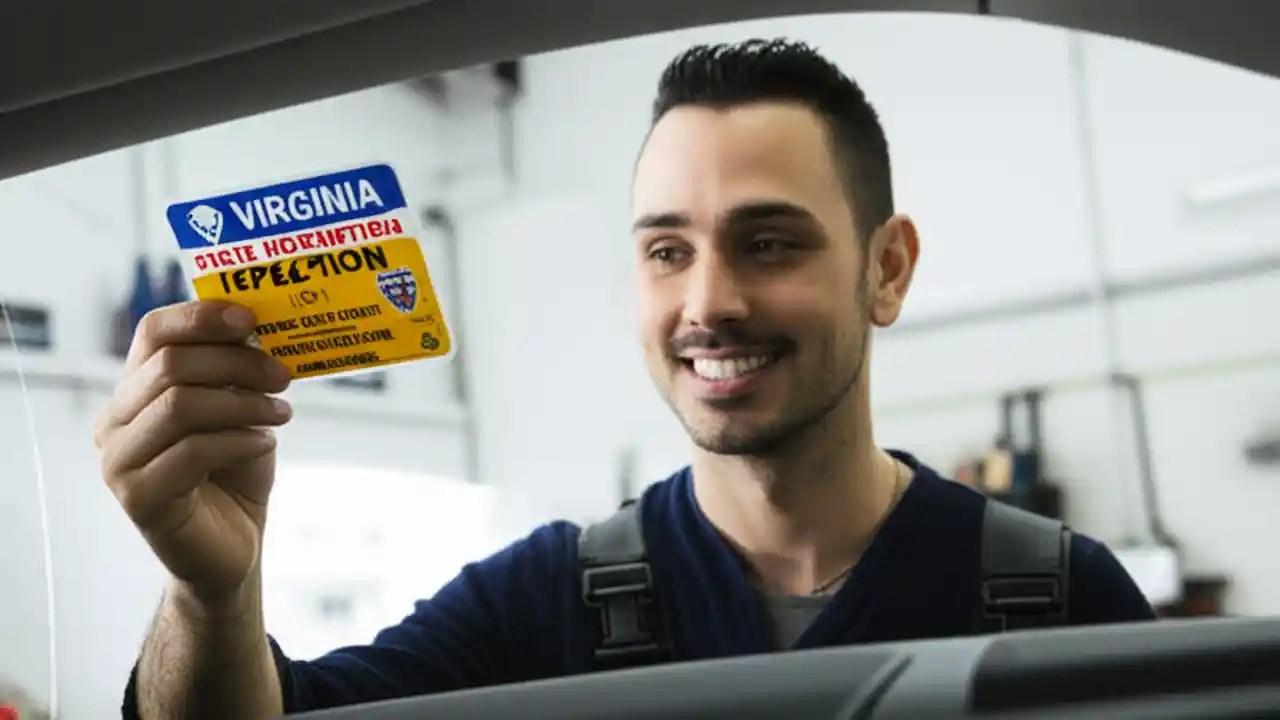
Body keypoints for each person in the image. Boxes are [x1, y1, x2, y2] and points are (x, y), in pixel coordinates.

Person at [101, 38, 1155, 719]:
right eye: (666, 250)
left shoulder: (1062, 601)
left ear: (886, 269)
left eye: (769, 242)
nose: (707, 302)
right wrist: (212, 592)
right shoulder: (536, 605)